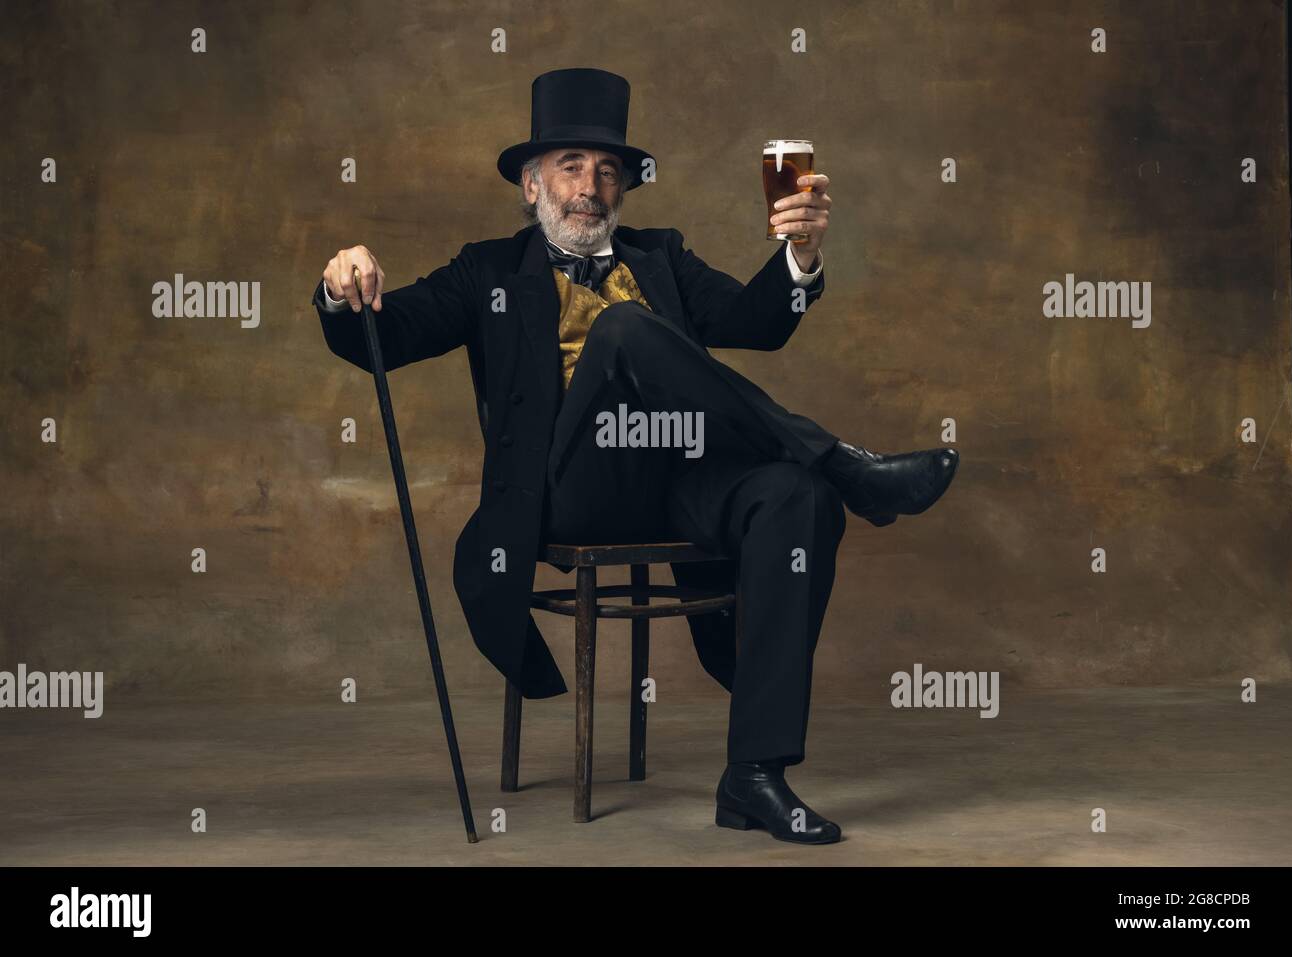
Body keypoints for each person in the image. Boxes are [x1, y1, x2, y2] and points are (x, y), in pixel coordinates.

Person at [312, 68, 958, 844]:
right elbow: (383, 335)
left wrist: (802, 258)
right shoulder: (485, 271)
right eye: (572, 166)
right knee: (623, 330)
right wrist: (341, 283)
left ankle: (754, 774)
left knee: (797, 498)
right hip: (571, 489)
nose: (592, 185)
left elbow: (759, 323)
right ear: (531, 184)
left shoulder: (662, 258)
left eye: (609, 171)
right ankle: (847, 464)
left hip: (676, 476)